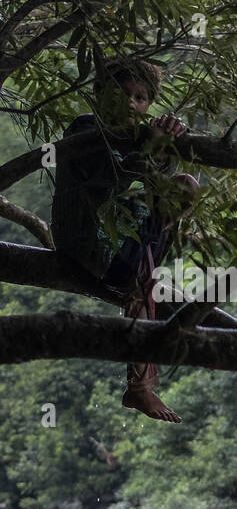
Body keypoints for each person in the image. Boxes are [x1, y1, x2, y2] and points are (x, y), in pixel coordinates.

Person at [50, 57, 199, 423]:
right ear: (100, 93)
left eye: (141, 97)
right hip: (86, 239)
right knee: (141, 276)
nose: (132, 103)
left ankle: (139, 383)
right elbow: (112, 176)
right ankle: (139, 387)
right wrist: (151, 146)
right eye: (123, 92)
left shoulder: (135, 137)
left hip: (120, 237)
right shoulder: (83, 129)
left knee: (186, 187)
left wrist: (162, 145)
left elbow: (155, 183)